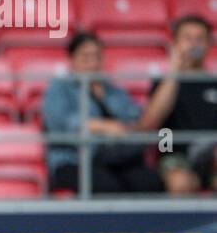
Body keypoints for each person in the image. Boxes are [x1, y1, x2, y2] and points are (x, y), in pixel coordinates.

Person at [41, 31, 161, 195]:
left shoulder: (112, 90)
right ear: (72, 60)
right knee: (107, 186)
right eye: (86, 57)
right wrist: (101, 126)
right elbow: (60, 124)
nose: (93, 63)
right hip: (75, 160)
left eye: (97, 56)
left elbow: (134, 117)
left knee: (149, 182)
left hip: (117, 157)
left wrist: (127, 128)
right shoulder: (60, 88)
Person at [140, 15, 217, 195]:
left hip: (212, 157)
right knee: (180, 183)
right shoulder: (164, 83)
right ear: (175, 43)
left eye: (200, 39)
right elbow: (150, 122)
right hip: (174, 155)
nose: (194, 44)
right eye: (187, 38)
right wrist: (175, 71)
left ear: (209, 44)